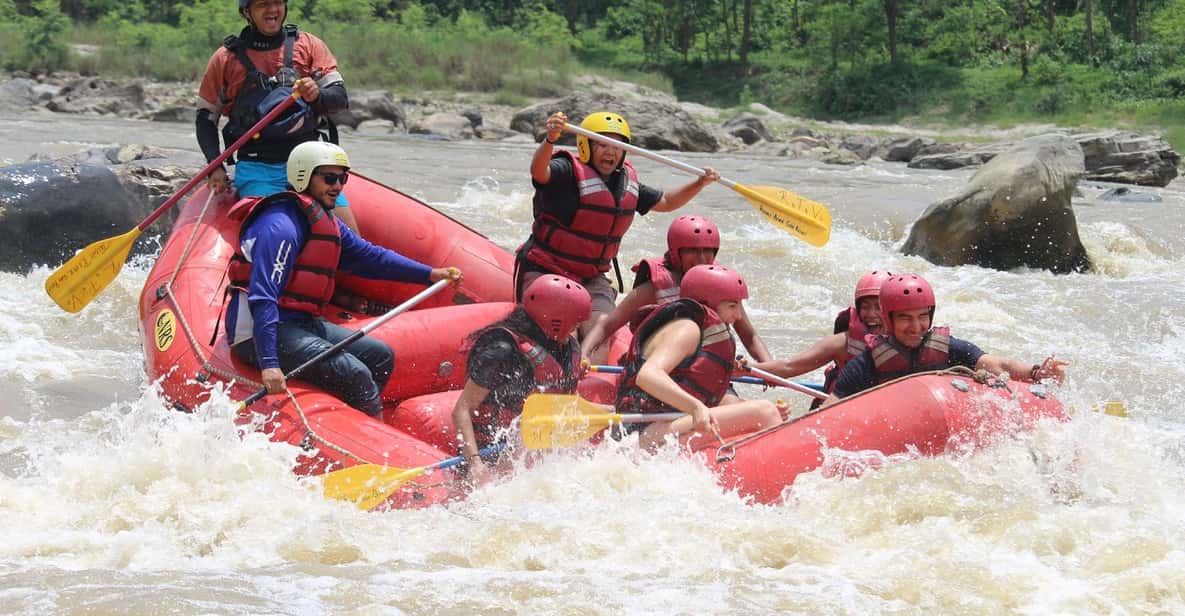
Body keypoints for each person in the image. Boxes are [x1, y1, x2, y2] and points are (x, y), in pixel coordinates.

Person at [223, 141, 462, 417]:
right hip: (258, 332)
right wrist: (269, 363)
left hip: (300, 323)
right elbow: (263, 297)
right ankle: (370, 435)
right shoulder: (281, 227)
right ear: (303, 176)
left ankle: (352, 419)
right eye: (329, 178)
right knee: (355, 372)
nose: (338, 186)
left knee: (380, 356)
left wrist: (430, 275)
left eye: (342, 178)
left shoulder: (323, 219)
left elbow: (371, 257)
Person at [516, 110, 722, 339]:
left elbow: (667, 202)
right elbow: (539, 171)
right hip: (547, 269)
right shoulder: (566, 170)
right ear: (586, 145)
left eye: (617, 145)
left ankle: (592, 374)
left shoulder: (625, 182)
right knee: (564, 335)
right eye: (603, 144)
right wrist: (550, 139)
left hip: (591, 278)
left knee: (602, 333)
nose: (611, 151)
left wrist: (699, 183)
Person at [196, 0, 360, 235]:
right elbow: (205, 119)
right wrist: (215, 167)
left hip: (311, 165)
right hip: (257, 167)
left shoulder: (308, 45)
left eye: (277, 2)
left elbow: (339, 98)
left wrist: (316, 95)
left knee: (349, 239)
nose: (272, 10)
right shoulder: (225, 59)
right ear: (247, 12)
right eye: (263, 4)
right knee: (278, 234)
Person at [615, 265, 787, 451]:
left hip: (665, 425)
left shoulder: (698, 330)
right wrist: (695, 407)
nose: (738, 315)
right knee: (765, 411)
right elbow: (648, 376)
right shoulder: (686, 329)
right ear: (708, 303)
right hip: (641, 433)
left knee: (753, 408)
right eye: (732, 306)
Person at [827, 273, 1068, 403]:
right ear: (888, 320)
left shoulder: (950, 349)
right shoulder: (866, 364)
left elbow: (998, 365)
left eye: (923, 316)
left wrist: (1036, 372)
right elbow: (831, 409)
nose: (916, 326)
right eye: (905, 318)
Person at [452, 275, 591, 485]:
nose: (575, 331)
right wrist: (475, 463)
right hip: (492, 453)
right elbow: (461, 409)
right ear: (554, 321)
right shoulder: (502, 350)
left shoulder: (564, 347)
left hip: (534, 451)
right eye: (573, 325)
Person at [581, 215, 772, 366]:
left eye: (708, 251)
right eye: (693, 251)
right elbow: (607, 325)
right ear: (676, 252)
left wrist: (772, 368)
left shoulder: (722, 285)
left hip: (705, 367)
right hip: (661, 366)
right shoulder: (655, 285)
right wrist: (585, 355)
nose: (702, 258)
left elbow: (750, 336)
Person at [751, 270, 892, 399]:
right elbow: (789, 366)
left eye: (878, 307)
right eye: (865, 307)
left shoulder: (908, 340)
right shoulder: (842, 343)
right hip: (841, 405)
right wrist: (742, 368)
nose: (871, 314)